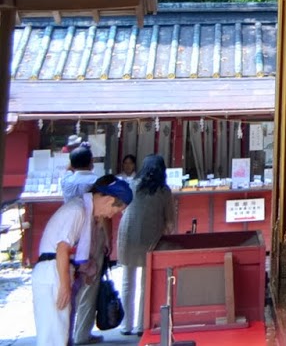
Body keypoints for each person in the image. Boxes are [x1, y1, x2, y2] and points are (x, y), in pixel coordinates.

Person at [32, 176, 130, 346]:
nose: (109, 215)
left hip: (55, 271)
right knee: (53, 336)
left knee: (59, 333)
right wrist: (64, 286)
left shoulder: (82, 209)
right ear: (109, 199)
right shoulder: (77, 211)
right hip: (52, 272)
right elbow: (62, 248)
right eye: (113, 211)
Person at [118, 156, 177, 336]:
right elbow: (170, 222)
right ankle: (141, 325)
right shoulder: (163, 191)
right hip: (151, 238)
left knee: (127, 281)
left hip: (127, 235)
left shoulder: (132, 185)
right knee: (146, 283)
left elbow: (121, 207)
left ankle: (126, 325)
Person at [58, 147, 105, 345]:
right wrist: (107, 239)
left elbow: (68, 170)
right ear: (91, 162)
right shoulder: (96, 181)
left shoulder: (66, 181)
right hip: (92, 233)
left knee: (70, 283)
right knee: (89, 284)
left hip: (70, 234)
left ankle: (65, 334)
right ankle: (82, 332)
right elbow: (103, 214)